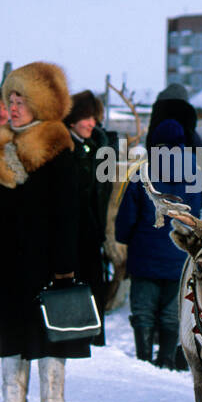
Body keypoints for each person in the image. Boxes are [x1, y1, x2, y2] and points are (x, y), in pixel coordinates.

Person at [0, 62, 87, 402]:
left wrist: (66, 262)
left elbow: (70, 213)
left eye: (22, 100)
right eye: (11, 99)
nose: (13, 107)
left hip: (47, 260)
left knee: (49, 329)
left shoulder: (58, 149)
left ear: (41, 104)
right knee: (10, 327)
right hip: (7, 260)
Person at [115, 118, 202, 370]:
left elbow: (125, 221)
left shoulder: (142, 175)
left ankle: (143, 361)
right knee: (173, 315)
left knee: (143, 313)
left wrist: (127, 240)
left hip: (144, 260)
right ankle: (168, 361)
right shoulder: (197, 176)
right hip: (181, 261)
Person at [65, 90, 113, 345]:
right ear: (72, 119)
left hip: (92, 233)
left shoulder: (96, 147)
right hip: (68, 234)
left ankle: (93, 337)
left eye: (94, 118)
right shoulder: (63, 147)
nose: (92, 123)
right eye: (86, 117)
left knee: (94, 287)